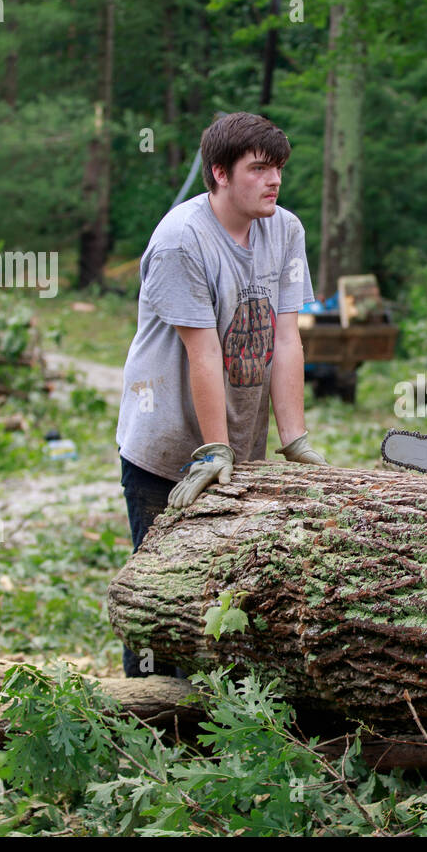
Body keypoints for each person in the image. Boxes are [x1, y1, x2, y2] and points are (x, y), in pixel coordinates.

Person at [115, 111, 325, 677]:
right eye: (259, 169)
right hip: (166, 446)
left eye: (278, 168)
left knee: (222, 587)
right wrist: (212, 450)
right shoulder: (181, 242)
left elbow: (285, 336)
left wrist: (294, 437)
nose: (274, 181)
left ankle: (209, 722)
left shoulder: (286, 229)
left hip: (240, 447)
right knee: (159, 593)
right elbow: (202, 352)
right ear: (220, 174)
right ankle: (141, 725)